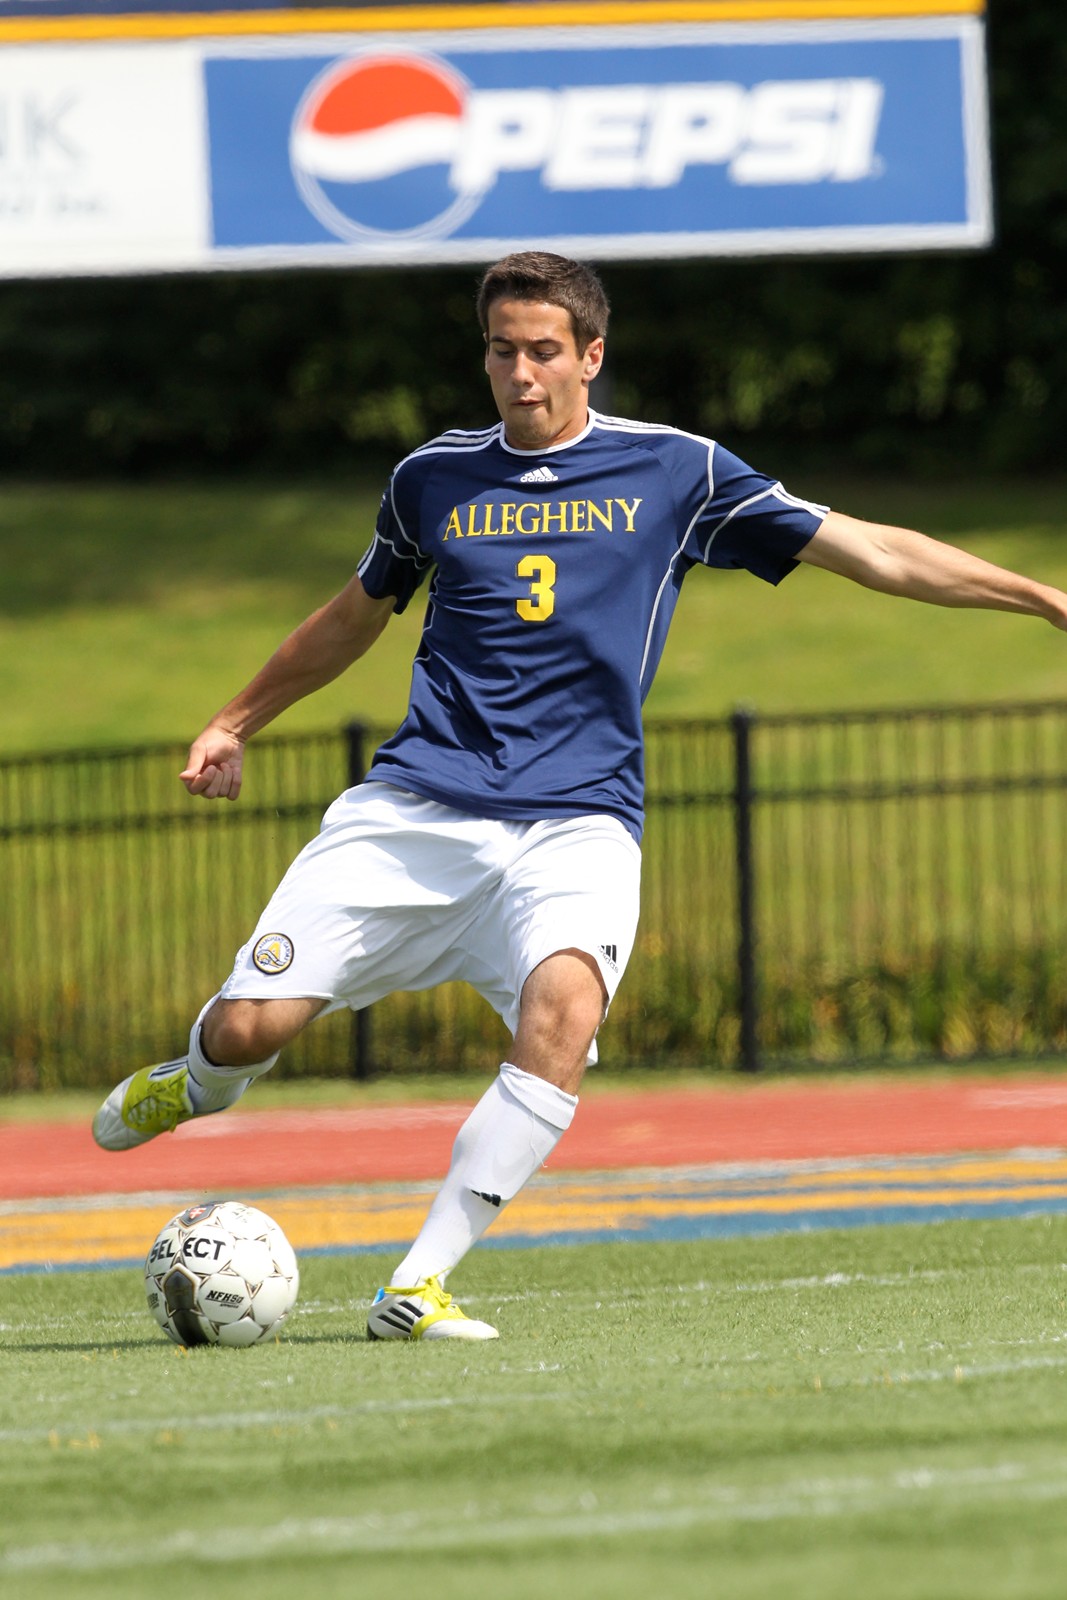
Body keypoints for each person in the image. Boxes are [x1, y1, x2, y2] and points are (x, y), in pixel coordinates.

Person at [93, 251, 1067, 1341]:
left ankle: (417, 1283)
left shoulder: (677, 472)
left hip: (577, 821)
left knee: (563, 1011)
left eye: (543, 350)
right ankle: (199, 1080)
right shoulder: (430, 480)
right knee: (245, 1027)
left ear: (590, 356)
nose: (519, 372)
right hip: (417, 805)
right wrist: (232, 718)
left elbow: (872, 550)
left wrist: (1040, 598)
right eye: (501, 350)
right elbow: (354, 616)